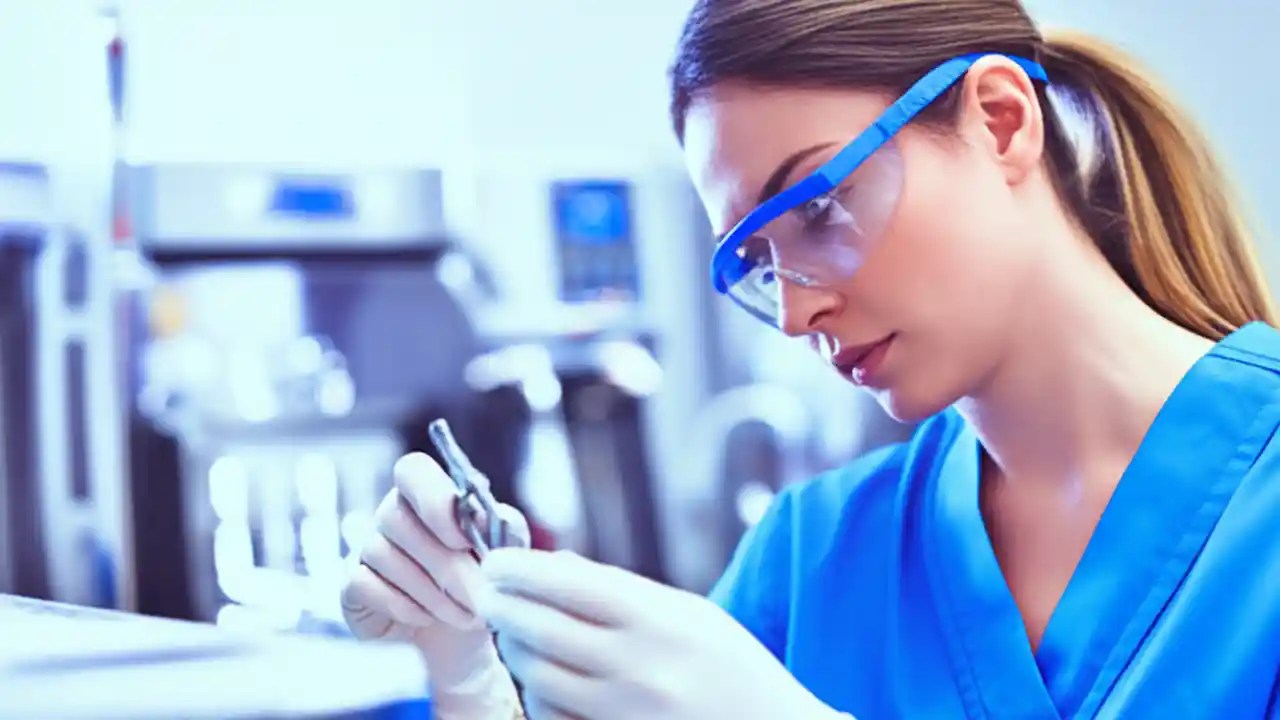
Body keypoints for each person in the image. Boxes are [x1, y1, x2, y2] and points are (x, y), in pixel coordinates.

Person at [340, 0, 1280, 717]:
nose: (794, 313)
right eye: (754, 260)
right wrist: (466, 674)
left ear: (999, 121)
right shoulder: (812, 554)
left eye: (821, 208)